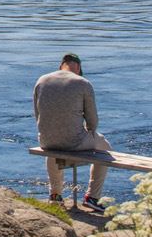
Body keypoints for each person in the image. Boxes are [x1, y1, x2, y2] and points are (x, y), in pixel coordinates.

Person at [33, 53, 112, 213]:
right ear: (78, 68)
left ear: (61, 65)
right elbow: (92, 120)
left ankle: (55, 195)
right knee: (105, 146)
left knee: (53, 149)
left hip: (46, 141)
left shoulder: (41, 80)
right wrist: (88, 132)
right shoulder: (83, 83)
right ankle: (92, 197)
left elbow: (38, 113)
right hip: (74, 142)